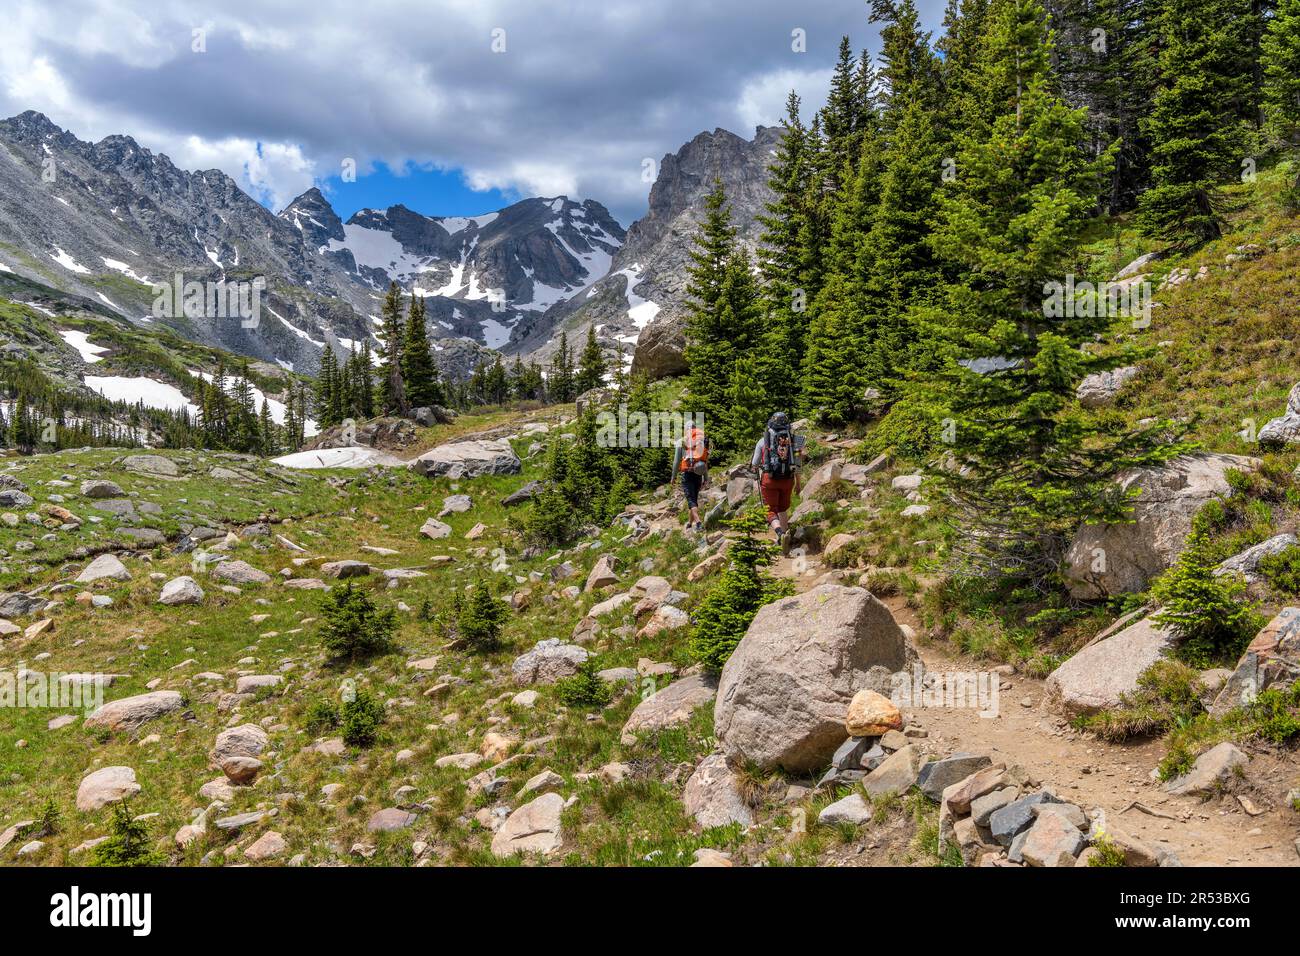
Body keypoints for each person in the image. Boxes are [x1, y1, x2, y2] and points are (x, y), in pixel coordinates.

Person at [751, 412, 803, 547]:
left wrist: (756, 468)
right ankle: (786, 538)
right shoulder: (794, 440)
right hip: (788, 479)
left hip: (770, 480)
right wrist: (798, 484)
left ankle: (780, 533)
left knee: (771, 510)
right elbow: (797, 464)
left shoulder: (763, 441)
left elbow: (755, 464)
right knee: (783, 508)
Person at [671, 419, 711, 531]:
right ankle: (689, 523)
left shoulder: (682, 441)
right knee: (694, 499)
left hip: (687, 473)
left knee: (691, 500)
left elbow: (676, 462)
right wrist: (706, 477)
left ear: (686, 429)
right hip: (698, 473)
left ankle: (698, 523)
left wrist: (673, 477)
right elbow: (704, 460)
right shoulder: (701, 441)